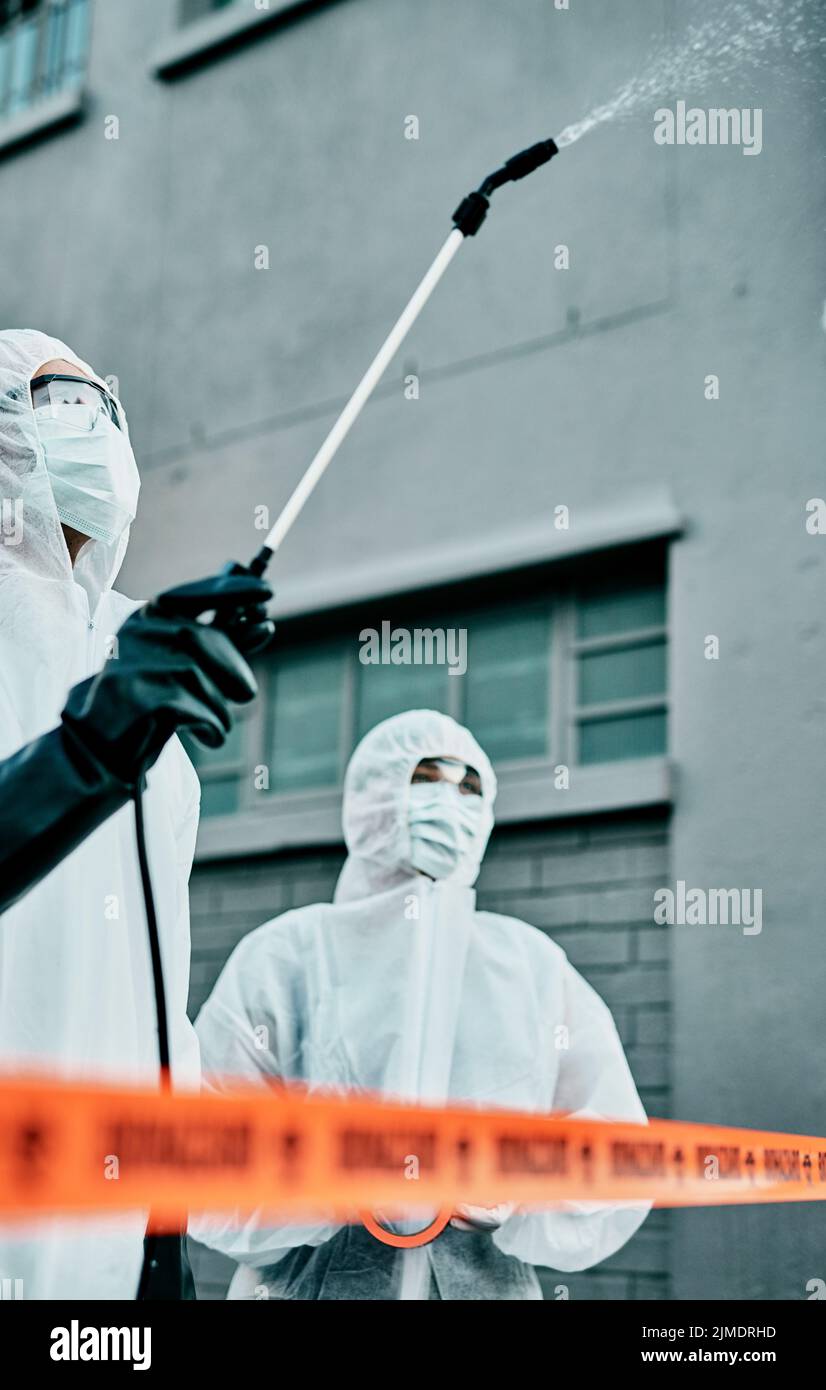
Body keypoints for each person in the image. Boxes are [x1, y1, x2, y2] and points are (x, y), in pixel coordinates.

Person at [192, 709, 650, 1300]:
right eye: (427, 779)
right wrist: (329, 1184)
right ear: (372, 797)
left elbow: (617, 1148)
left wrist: (523, 1181)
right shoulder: (286, 955)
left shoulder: (530, 966)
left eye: (469, 788)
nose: (449, 802)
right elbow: (203, 1150)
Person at [0, 329, 272, 1299]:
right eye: (61, 402)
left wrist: (169, 1222)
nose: (98, 429)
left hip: (127, 1235)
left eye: (106, 410)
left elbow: (148, 978)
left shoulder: (124, 643)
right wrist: (90, 743)